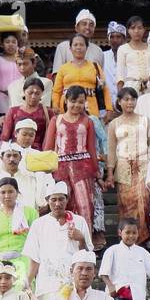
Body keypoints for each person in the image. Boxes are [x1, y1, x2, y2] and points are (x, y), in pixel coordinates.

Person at [23, 181, 93, 300]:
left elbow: (88, 257)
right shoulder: (38, 224)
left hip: (74, 284)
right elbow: (34, 259)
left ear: (67, 200)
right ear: (47, 201)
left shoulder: (79, 221)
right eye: (53, 200)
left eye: (61, 199)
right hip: (47, 285)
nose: (57, 203)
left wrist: (80, 238)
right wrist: (27, 283)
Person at [43, 85, 100, 239]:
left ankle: (84, 241)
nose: (77, 105)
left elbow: (91, 149)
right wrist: (46, 170)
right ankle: (60, 239)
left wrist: (96, 171)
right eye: (73, 101)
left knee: (85, 205)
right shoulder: (56, 120)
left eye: (81, 102)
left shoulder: (88, 121)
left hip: (83, 168)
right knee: (61, 204)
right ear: (66, 101)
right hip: (60, 168)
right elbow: (48, 148)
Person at [105, 87, 150, 243]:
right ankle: (128, 238)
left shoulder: (144, 120)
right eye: (126, 99)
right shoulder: (114, 124)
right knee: (126, 203)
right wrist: (109, 173)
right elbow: (111, 150)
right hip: (123, 166)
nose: (130, 102)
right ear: (119, 102)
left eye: (133, 99)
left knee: (145, 199)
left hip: (143, 165)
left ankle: (145, 238)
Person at [0, 177, 36, 299]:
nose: (7, 195)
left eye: (10, 191)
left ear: (17, 193)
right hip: (0, 269)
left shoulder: (30, 213)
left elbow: (36, 244)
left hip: (23, 266)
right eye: (3, 192)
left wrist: (35, 272)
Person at [52, 33, 113, 119]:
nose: (78, 47)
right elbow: (56, 91)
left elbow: (105, 89)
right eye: (75, 45)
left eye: (81, 45)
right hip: (66, 110)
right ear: (70, 48)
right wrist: (55, 106)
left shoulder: (95, 67)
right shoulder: (63, 68)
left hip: (91, 111)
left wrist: (109, 109)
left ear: (86, 48)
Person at [0, 139, 46, 213]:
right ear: (1, 158)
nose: (12, 159)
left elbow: (41, 202)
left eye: (15, 156)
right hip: (1, 223)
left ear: (20, 158)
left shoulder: (30, 179)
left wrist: (40, 174)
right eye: (8, 156)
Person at [0, 29, 24, 123]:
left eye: (14, 42)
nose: (11, 45)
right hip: (2, 99)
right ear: (2, 44)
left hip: (20, 99)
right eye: (7, 42)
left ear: (18, 44)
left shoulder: (22, 61)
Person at [0, 76, 50, 147]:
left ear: (42, 93)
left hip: (38, 153)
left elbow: (52, 136)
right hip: (16, 152)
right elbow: (5, 137)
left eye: (37, 93)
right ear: (24, 92)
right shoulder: (13, 111)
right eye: (30, 93)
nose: (33, 96)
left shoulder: (48, 112)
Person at [52, 8, 104, 74]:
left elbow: (100, 77)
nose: (87, 27)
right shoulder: (63, 47)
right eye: (84, 24)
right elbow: (56, 75)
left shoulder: (98, 51)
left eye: (91, 25)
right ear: (76, 28)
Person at [116, 15, 150, 94]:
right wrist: (120, 95)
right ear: (128, 30)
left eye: (139, 28)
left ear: (144, 30)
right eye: (133, 28)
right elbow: (120, 74)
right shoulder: (123, 49)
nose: (136, 31)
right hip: (131, 88)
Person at [102, 22, 126, 114]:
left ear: (124, 39)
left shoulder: (130, 56)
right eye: (112, 37)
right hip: (107, 108)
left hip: (126, 105)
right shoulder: (102, 56)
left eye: (118, 37)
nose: (115, 40)